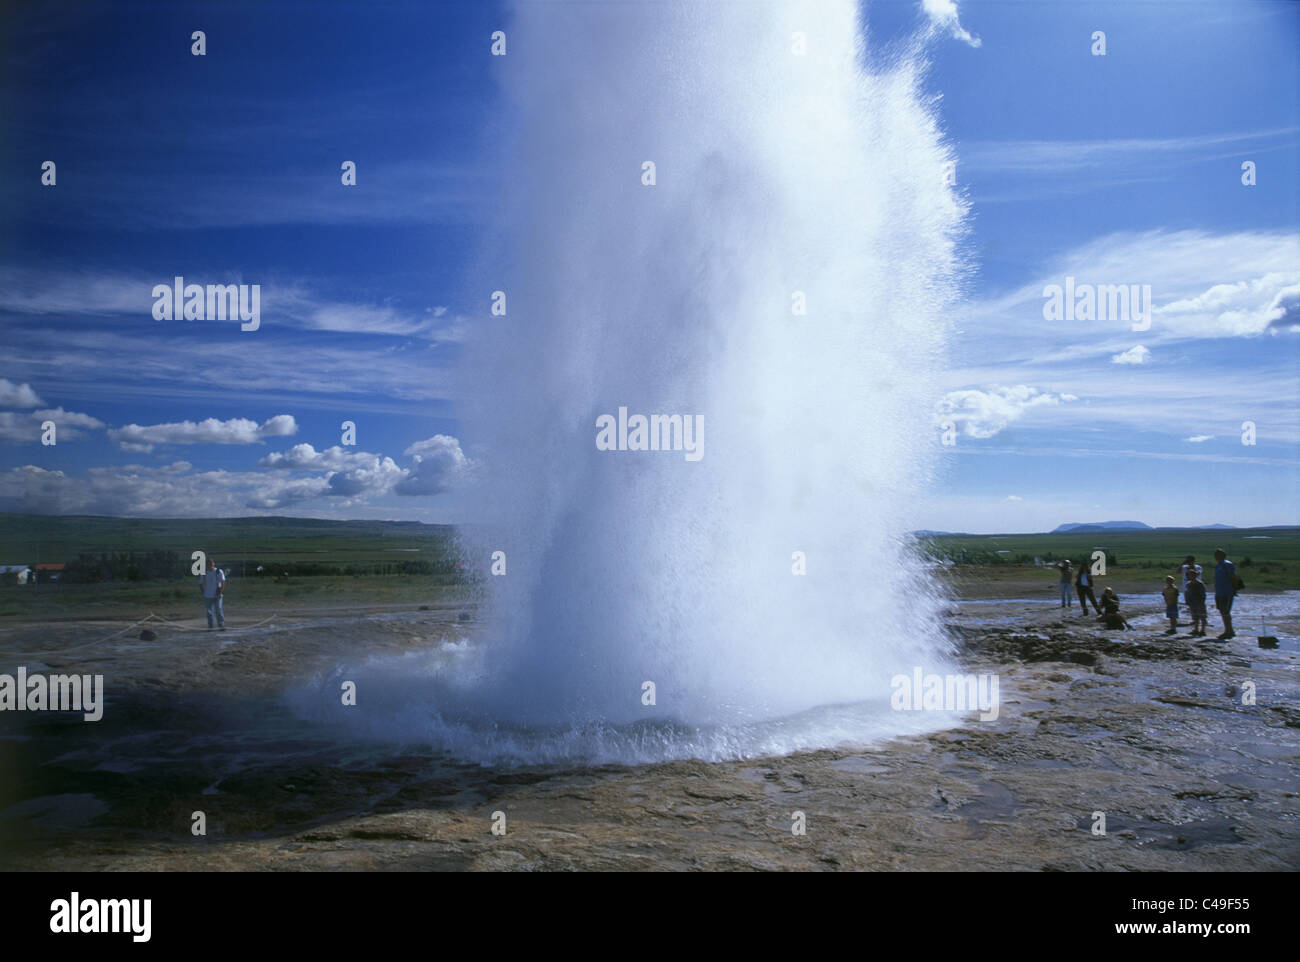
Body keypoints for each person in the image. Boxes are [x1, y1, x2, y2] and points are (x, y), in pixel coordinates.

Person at [1212, 548, 1239, 640]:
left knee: (1226, 611)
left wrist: (1234, 589)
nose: (1215, 556)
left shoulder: (1227, 564)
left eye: (1216, 554)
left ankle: (1228, 631)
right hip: (1219, 592)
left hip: (1227, 591)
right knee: (1222, 611)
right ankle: (1229, 630)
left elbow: (1233, 577)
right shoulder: (1218, 565)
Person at [199, 556, 226, 629]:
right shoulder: (204, 573)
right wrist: (203, 592)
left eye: (211, 563)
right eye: (208, 563)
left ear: (213, 563)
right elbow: (200, 583)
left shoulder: (218, 571)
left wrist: (220, 593)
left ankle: (221, 625)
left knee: (218, 610)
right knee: (209, 612)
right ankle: (210, 626)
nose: (210, 565)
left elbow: (223, 582)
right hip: (208, 595)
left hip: (217, 594)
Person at [1179, 555, 1202, 624]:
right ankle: (1194, 619)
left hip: (1196, 588)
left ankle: (1201, 618)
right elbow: (1178, 571)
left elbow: (1197, 574)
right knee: (1190, 604)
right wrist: (1183, 563)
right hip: (1186, 588)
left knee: (1197, 604)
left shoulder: (1198, 567)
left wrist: (1192, 567)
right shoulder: (1184, 567)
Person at [1184, 568, 1207, 637]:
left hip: (1199, 602)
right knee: (1195, 617)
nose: (1187, 576)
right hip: (1192, 603)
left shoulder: (1200, 584)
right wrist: (1188, 601)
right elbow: (1187, 593)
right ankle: (1196, 629)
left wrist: (1201, 601)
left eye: (1189, 575)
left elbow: (1203, 594)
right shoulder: (1188, 584)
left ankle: (1202, 630)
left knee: (1202, 617)